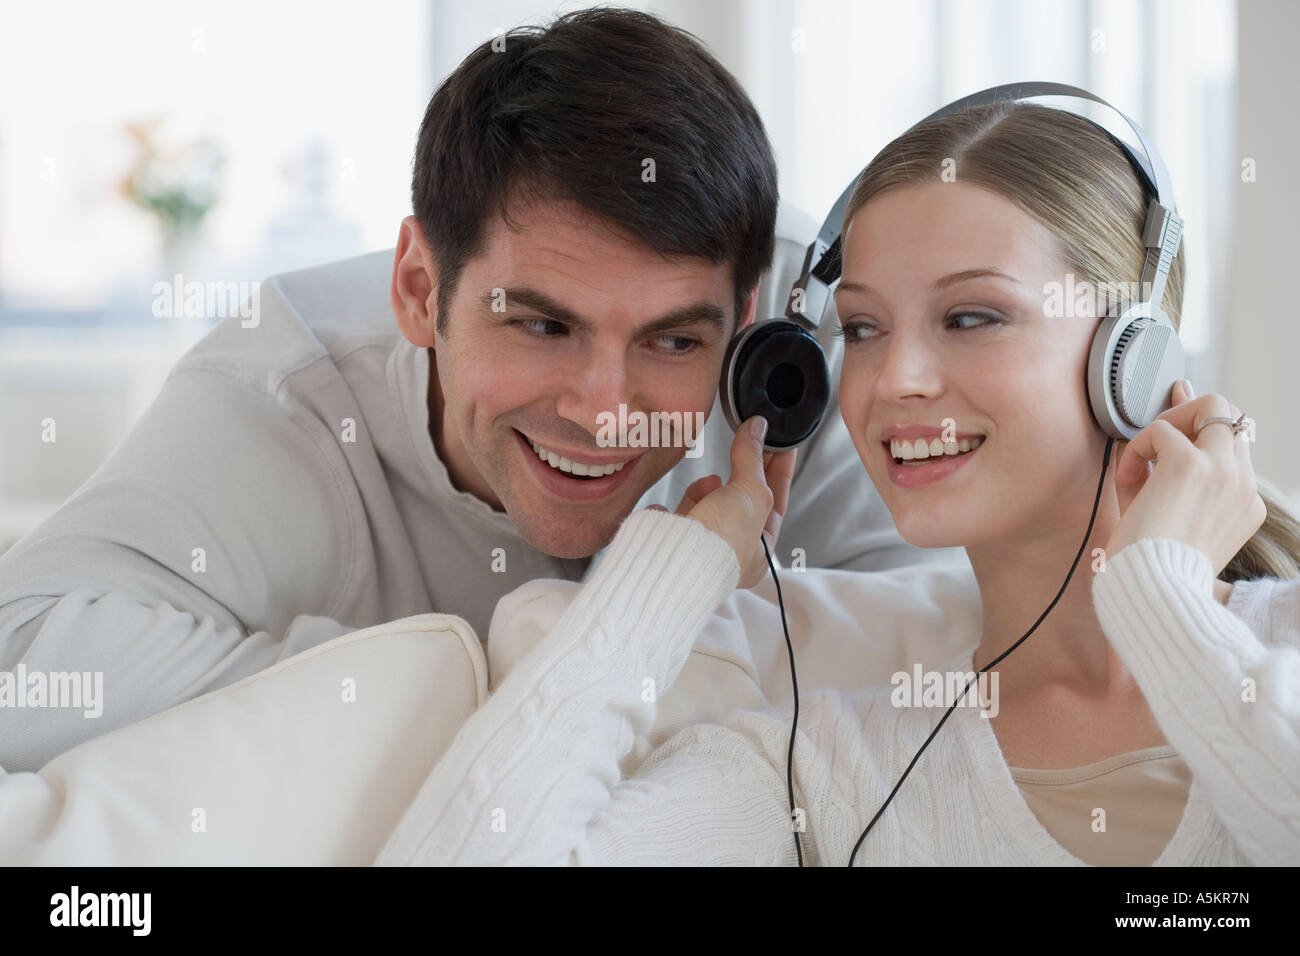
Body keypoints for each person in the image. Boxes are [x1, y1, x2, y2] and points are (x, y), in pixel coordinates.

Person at [0, 9, 951, 772]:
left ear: (741, 318)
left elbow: (954, 665)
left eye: (671, 339)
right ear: (420, 289)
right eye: (542, 325)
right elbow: (20, 666)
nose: (604, 409)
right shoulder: (287, 386)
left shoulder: (801, 362)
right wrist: (552, 671)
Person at [373, 98, 1300, 867]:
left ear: (1133, 357)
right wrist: (681, 565)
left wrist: (1163, 602)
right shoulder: (829, 765)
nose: (895, 381)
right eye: (861, 329)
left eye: (972, 316)